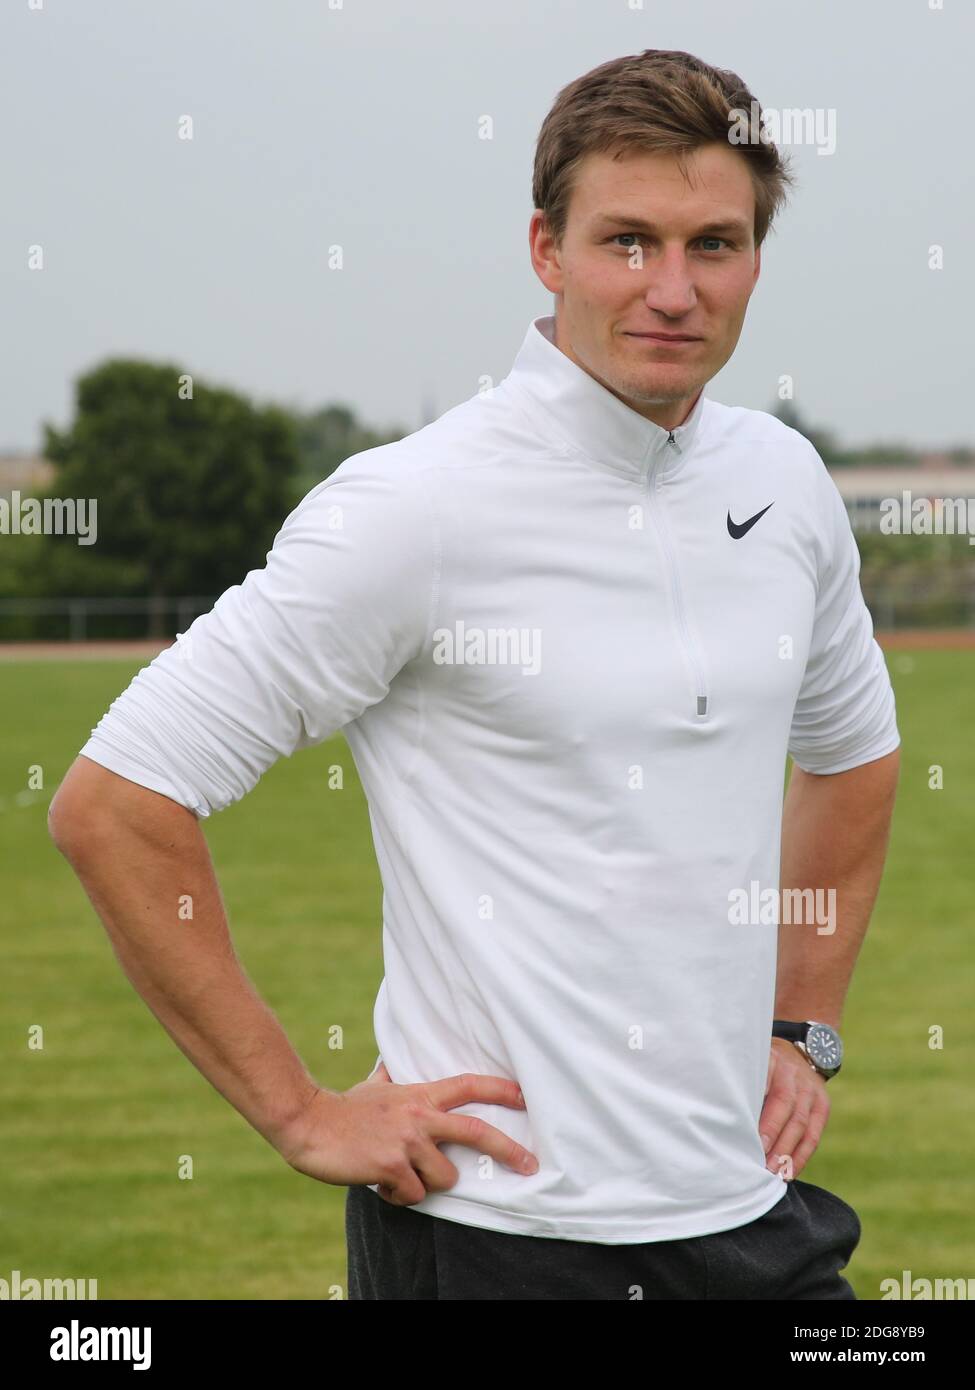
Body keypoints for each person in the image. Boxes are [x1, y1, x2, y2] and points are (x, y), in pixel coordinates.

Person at [49, 48, 900, 1300]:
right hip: (494, 1234)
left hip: (748, 1219)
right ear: (546, 250)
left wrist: (799, 1028)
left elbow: (853, 754)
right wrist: (300, 1110)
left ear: (756, 259)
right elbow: (116, 803)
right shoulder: (414, 508)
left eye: (712, 244)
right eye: (626, 241)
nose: (671, 288)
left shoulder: (785, 483)